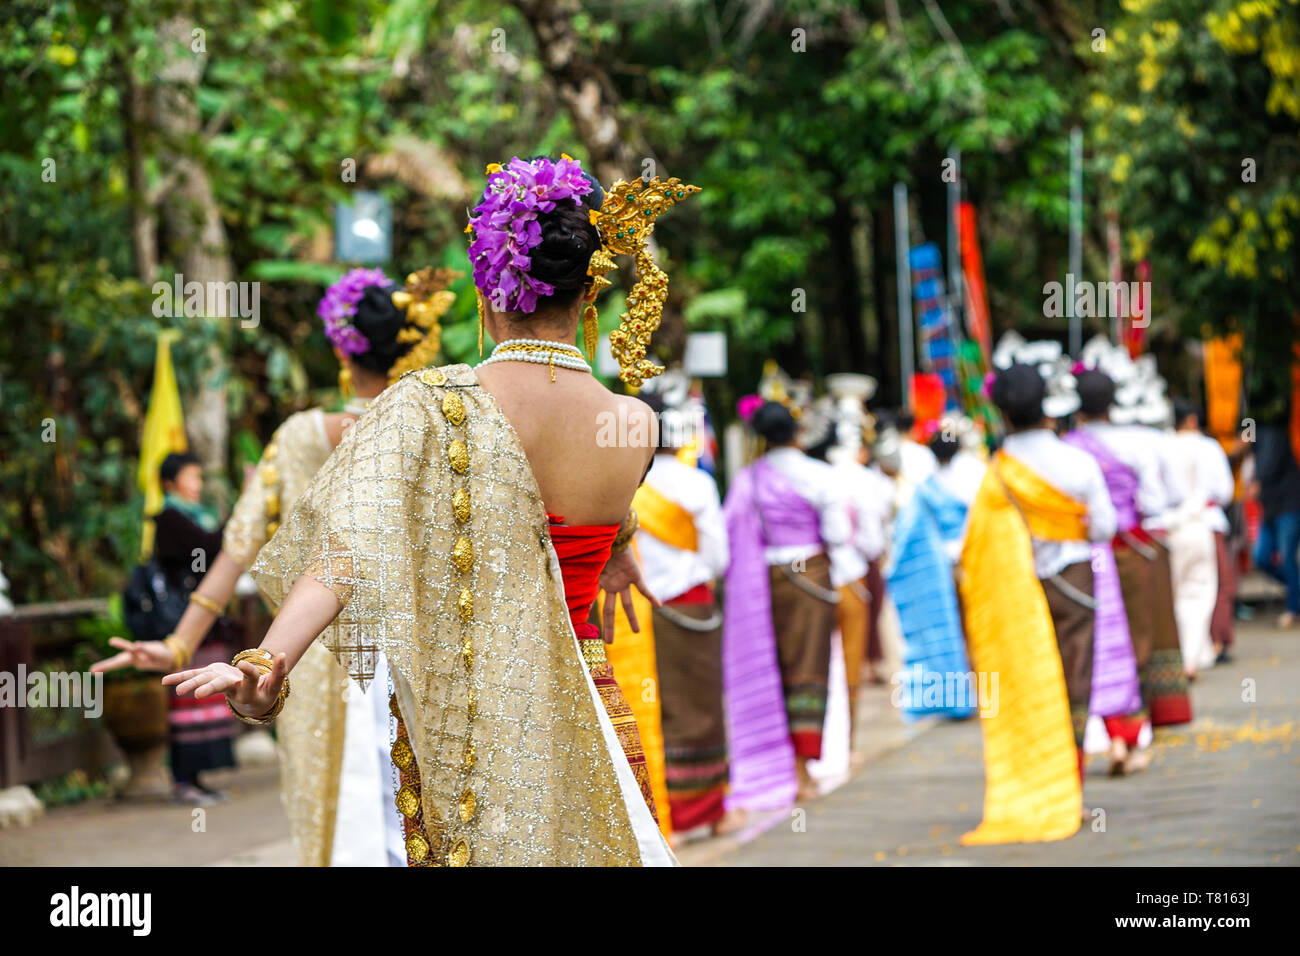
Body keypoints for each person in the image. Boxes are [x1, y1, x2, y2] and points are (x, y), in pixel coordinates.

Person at [166, 154, 687, 866]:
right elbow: (586, 523)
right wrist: (619, 552)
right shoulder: (634, 423)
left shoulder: (434, 403)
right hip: (589, 706)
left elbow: (350, 547)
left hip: (483, 718)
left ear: (489, 284)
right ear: (590, 283)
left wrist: (269, 657)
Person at [96, 266, 459, 864]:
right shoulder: (433, 428)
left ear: (343, 349)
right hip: (416, 653)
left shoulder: (297, 438)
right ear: (409, 343)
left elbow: (237, 545)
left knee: (340, 824)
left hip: (305, 654)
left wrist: (180, 644)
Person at [959, 364, 1113, 845]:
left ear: (1001, 411)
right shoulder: (1077, 463)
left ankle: (1032, 781)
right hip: (1074, 582)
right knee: (1075, 682)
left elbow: (973, 548)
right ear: (1046, 404)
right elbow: (1104, 527)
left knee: (1026, 683)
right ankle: (1072, 789)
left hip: (1015, 590)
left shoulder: (994, 473)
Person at [723, 400, 851, 804]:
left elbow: (731, 530)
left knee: (774, 667)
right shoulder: (820, 475)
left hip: (765, 581)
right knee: (809, 667)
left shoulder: (749, 479)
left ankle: (782, 765)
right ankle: (803, 771)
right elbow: (838, 533)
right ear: (797, 433)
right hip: (810, 576)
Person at [633, 391, 740, 840]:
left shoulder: (628, 484)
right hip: (693, 605)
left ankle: (666, 816)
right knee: (703, 706)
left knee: (660, 708)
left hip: (641, 610)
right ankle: (713, 812)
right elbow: (718, 557)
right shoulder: (696, 484)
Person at [1070, 370, 1193, 730]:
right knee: (1142, 631)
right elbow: (1157, 501)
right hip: (1133, 549)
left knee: (1097, 638)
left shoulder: (1068, 447)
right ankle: (1139, 718)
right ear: (1114, 401)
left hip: (1084, 554)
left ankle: (1100, 722)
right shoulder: (1141, 442)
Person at [150, 452, 239, 805]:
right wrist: (242, 520)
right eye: (191, 477)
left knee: (206, 702)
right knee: (188, 701)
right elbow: (209, 547)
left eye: (199, 477)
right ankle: (183, 780)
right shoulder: (170, 517)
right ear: (170, 483)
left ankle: (197, 779)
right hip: (186, 624)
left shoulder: (196, 516)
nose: (198, 485)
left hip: (207, 625)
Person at [885, 430, 979, 721]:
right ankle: (981, 693)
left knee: (951, 632)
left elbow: (906, 534)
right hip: (972, 564)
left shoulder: (924, 489)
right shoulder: (974, 481)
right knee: (974, 630)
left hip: (941, 570)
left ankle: (960, 696)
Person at [1165, 399, 1235, 674]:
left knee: (1175, 591)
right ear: (1192, 420)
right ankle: (1206, 648)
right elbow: (1225, 491)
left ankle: (1184, 653)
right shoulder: (1207, 447)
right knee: (1212, 589)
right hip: (1204, 525)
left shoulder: (1163, 445)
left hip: (1169, 527)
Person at [1252, 418, 1300, 628]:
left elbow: (1267, 467)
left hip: (1288, 507)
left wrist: (1256, 482)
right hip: (1271, 511)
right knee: (1261, 557)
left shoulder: (1269, 436)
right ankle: (1296, 590)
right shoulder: (1255, 447)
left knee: (1286, 557)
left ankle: (1293, 607)